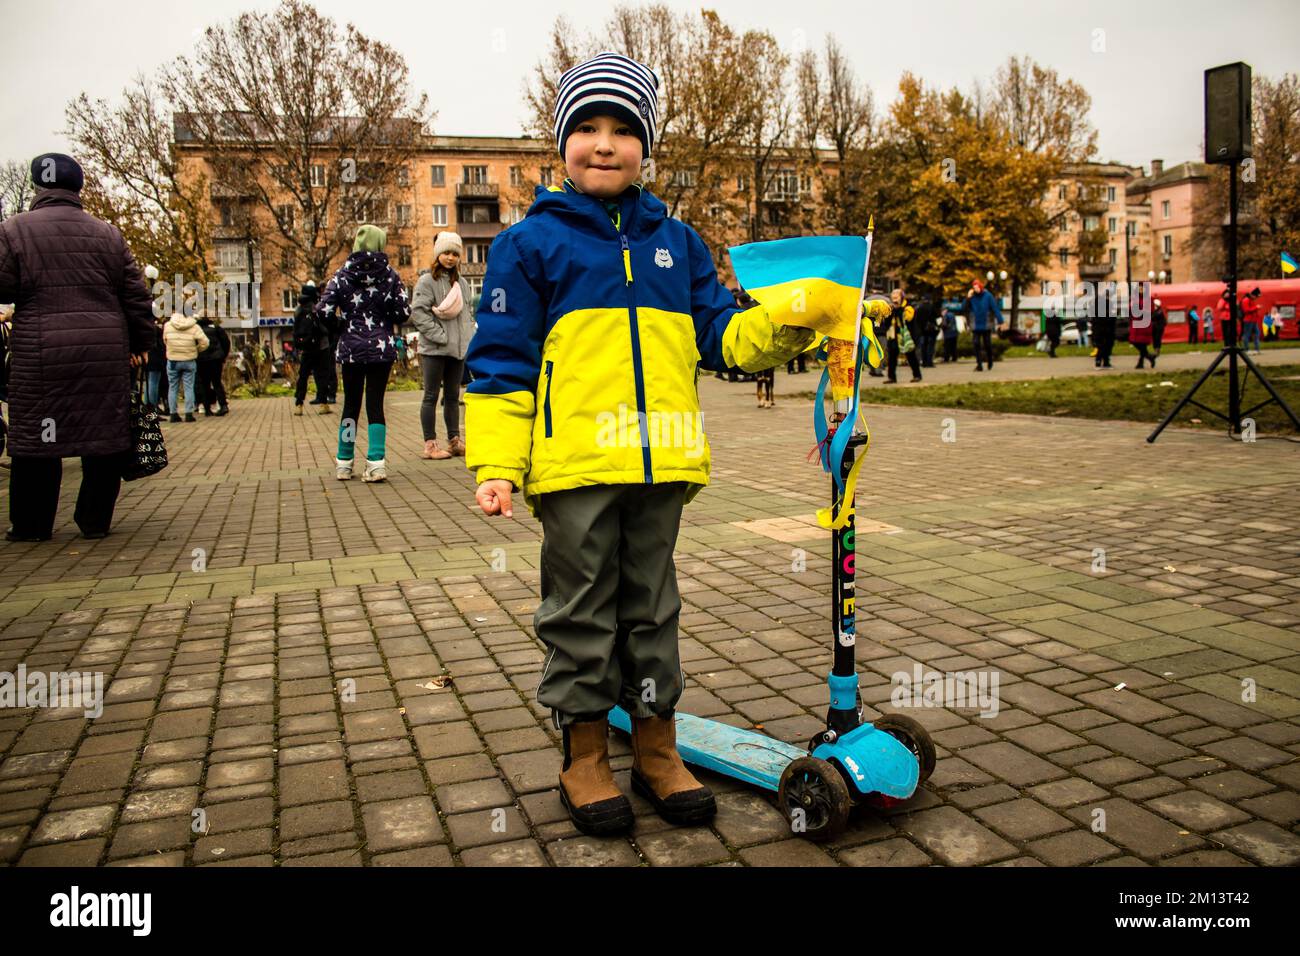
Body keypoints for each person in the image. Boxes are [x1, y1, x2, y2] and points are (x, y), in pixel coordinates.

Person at [465, 52, 818, 836]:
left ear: (645, 147)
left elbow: (724, 335)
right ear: (561, 142)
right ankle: (584, 753)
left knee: (652, 610)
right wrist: (496, 463)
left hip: (662, 462)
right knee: (581, 611)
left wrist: (790, 318)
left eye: (623, 130)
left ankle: (656, 744)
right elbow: (498, 363)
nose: (603, 143)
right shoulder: (530, 247)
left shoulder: (679, 242)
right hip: (574, 469)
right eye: (586, 127)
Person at [0, 152, 155, 541]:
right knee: (101, 438)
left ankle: (32, 526)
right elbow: (136, 297)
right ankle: (94, 521)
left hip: (41, 355)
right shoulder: (108, 234)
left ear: (38, 188)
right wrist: (141, 343)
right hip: (102, 352)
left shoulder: (13, 231)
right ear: (77, 188)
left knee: (39, 441)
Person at [315, 223, 408, 483]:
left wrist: (340, 328)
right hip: (382, 348)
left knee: (350, 405)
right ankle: (376, 464)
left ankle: (344, 463)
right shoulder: (390, 275)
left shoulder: (342, 274)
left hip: (351, 349)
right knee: (375, 405)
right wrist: (385, 317)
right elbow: (404, 311)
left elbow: (322, 310)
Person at [411, 232, 474, 459]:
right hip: (435, 349)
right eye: (447, 253)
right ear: (438, 254)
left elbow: (466, 314)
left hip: (457, 350)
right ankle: (430, 445)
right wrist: (439, 335)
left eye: (455, 254)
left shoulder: (463, 283)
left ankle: (454, 440)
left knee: (452, 396)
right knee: (430, 395)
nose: (451, 258)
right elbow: (419, 313)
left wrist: (467, 339)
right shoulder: (427, 281)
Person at [292, 281, 334, 415]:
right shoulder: (317, 308)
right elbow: (327, 325)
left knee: (303, 376)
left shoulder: (298, 310)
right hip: (321, 347)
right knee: (322, 375)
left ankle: (299, 404)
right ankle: (323, 404)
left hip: (306, 349)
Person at [163, 310, 208, 421]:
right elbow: (205, 342)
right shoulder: (194, 326)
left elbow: (165, 340)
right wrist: (196, 350)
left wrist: (172, 350)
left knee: (173, 387)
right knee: (189, 387)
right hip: (189, 360)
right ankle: (189, 414)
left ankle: (173, 414)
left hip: (173, 360)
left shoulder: (168, 325)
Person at [963, 279, 1003, 371]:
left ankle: (990, 360)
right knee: (976, 343)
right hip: (976, 324)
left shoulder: (988, 296)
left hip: (986, 324)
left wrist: (1001, 321)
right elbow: (964, 308)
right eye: (974, 287)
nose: (975, 289)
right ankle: (979, 364)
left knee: (987, 344)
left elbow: (995, 308)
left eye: (977, 287)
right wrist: (967, 298)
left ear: (980, 287)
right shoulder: (972, 297)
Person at [882, 288, 920, 383]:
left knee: (911, 356)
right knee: (892, 358)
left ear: (902, 297)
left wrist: (898, 308)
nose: (894, 299)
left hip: (905, 336)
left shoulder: (908, 308)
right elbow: (886, 323)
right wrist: (891, 310)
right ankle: (891, 377)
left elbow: (908, 319)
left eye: (897, 296)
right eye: (893, 297)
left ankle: (917, 375)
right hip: (893, 336)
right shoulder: (891, 309)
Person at [196, 314, 230, 416]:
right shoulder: (217, 328)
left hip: (202, 359)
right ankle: (223, 405)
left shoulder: (197, 329)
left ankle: (207, 409)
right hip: (216, 359)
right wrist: (223, 356)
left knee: (204, 384)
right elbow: (226, 342)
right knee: (217, 382)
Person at [145, 313, 167, 411]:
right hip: (156, 358)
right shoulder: (156, 330)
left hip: (148, 357)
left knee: (149, 382)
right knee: (154, 382)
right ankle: (152, 407)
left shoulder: (145, 328)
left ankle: (147, 405)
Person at [1239, 288, 1262, 353]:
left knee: (1257, 334)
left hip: (1253, 320)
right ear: (1253, 295)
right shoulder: (1246, 300)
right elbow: (1246, 310)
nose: (1256, 298)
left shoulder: (1251, 300)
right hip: (1248, 320)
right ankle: (1246, 349)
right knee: (1247, 334)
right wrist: (1256, 307)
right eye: (1256, 296)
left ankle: (1257, 349)